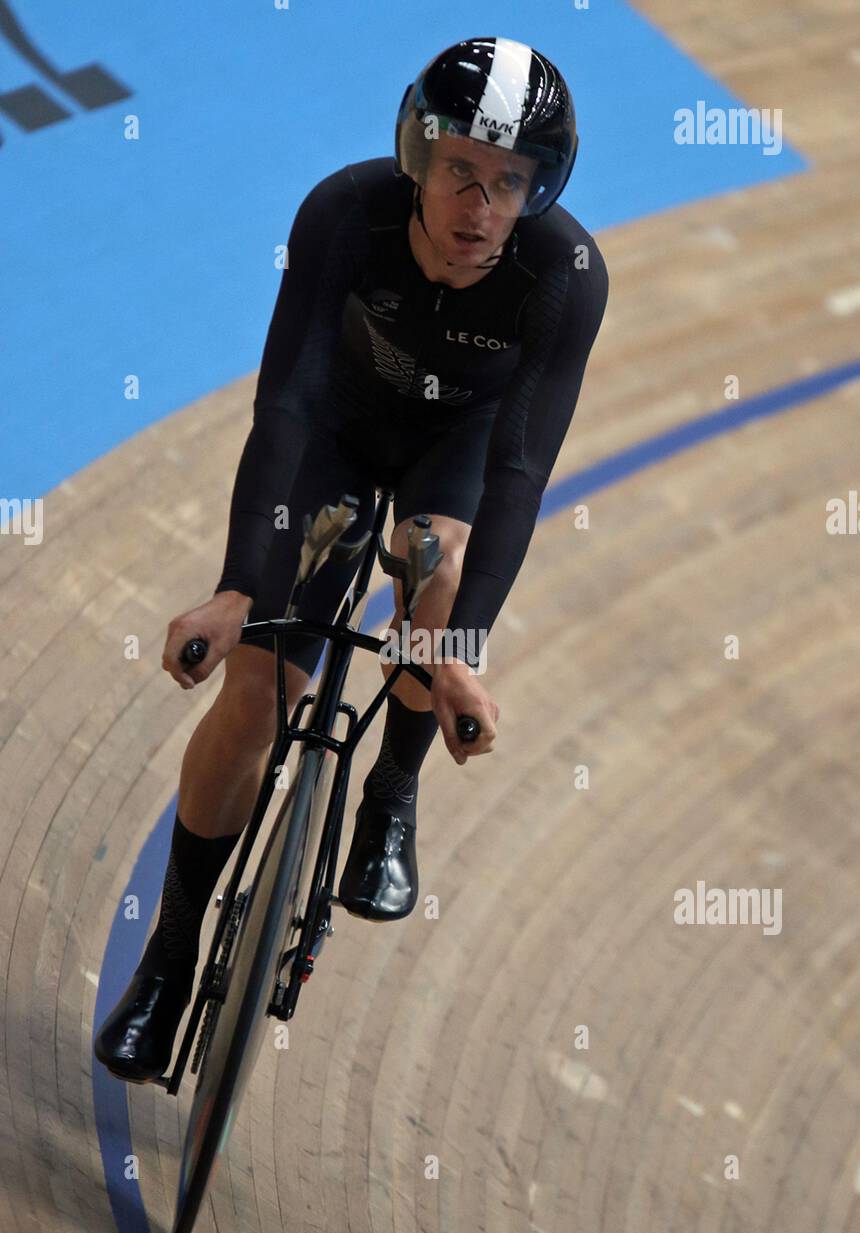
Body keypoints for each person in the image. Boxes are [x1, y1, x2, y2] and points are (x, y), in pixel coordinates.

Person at [94, 35, 609, 1083]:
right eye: (460, 170)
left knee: (436, 572)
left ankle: (390, 791)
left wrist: (458, 652)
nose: (480, 207)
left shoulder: (564, 274)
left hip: (453, 454)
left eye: (509, 183)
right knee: (256, 694)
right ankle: (169, 959)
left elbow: (518, 472)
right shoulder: (344, 212)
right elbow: (284, 404)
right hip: (334, 433)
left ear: (540, 189)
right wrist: (240, 587)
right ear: (418, 153)